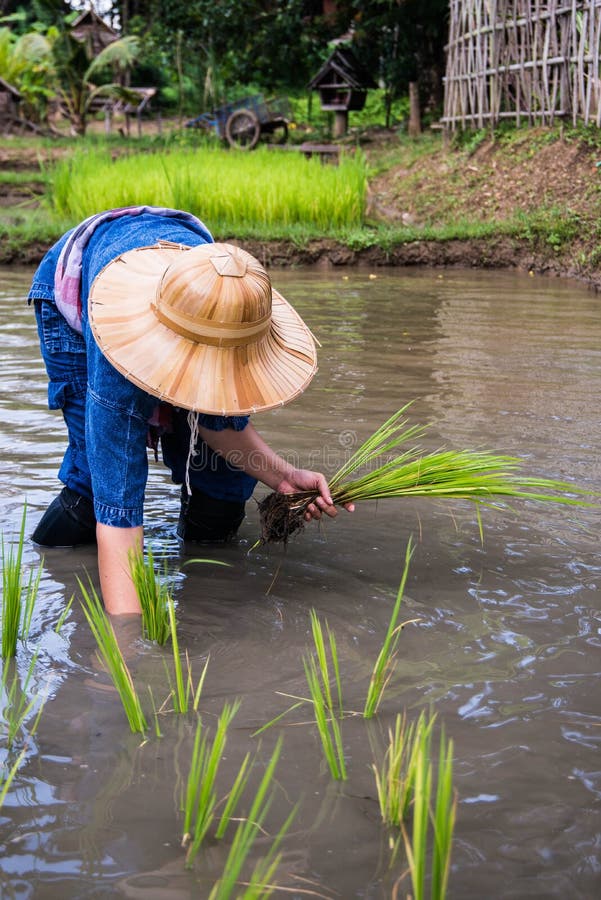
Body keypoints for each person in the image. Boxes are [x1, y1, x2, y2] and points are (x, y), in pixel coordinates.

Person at [29, 206, 351, 616]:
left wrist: (285, 477)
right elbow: (119, 506)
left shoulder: (229, 307)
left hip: (191, 299)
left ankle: (205, 567)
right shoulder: (117, 363)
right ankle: (47, 557)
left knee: (219, 482)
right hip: (77, 295)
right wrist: (129, 647)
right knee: (97, 485)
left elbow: (217, 424)